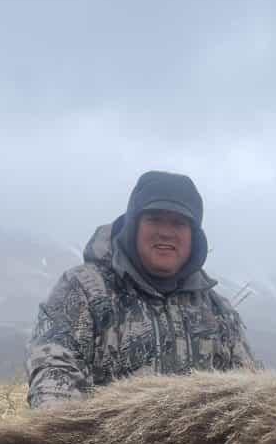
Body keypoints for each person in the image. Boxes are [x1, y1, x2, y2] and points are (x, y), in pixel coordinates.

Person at [26, 170, 258, 408]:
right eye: (155, 219)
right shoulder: (84, 289)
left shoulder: (218, 312)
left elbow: (249, 394)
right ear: (133, 226)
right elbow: (53, 373)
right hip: (100, 441)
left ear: (194, 236)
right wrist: (68, 438)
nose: (166, 232)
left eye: (179, 223)